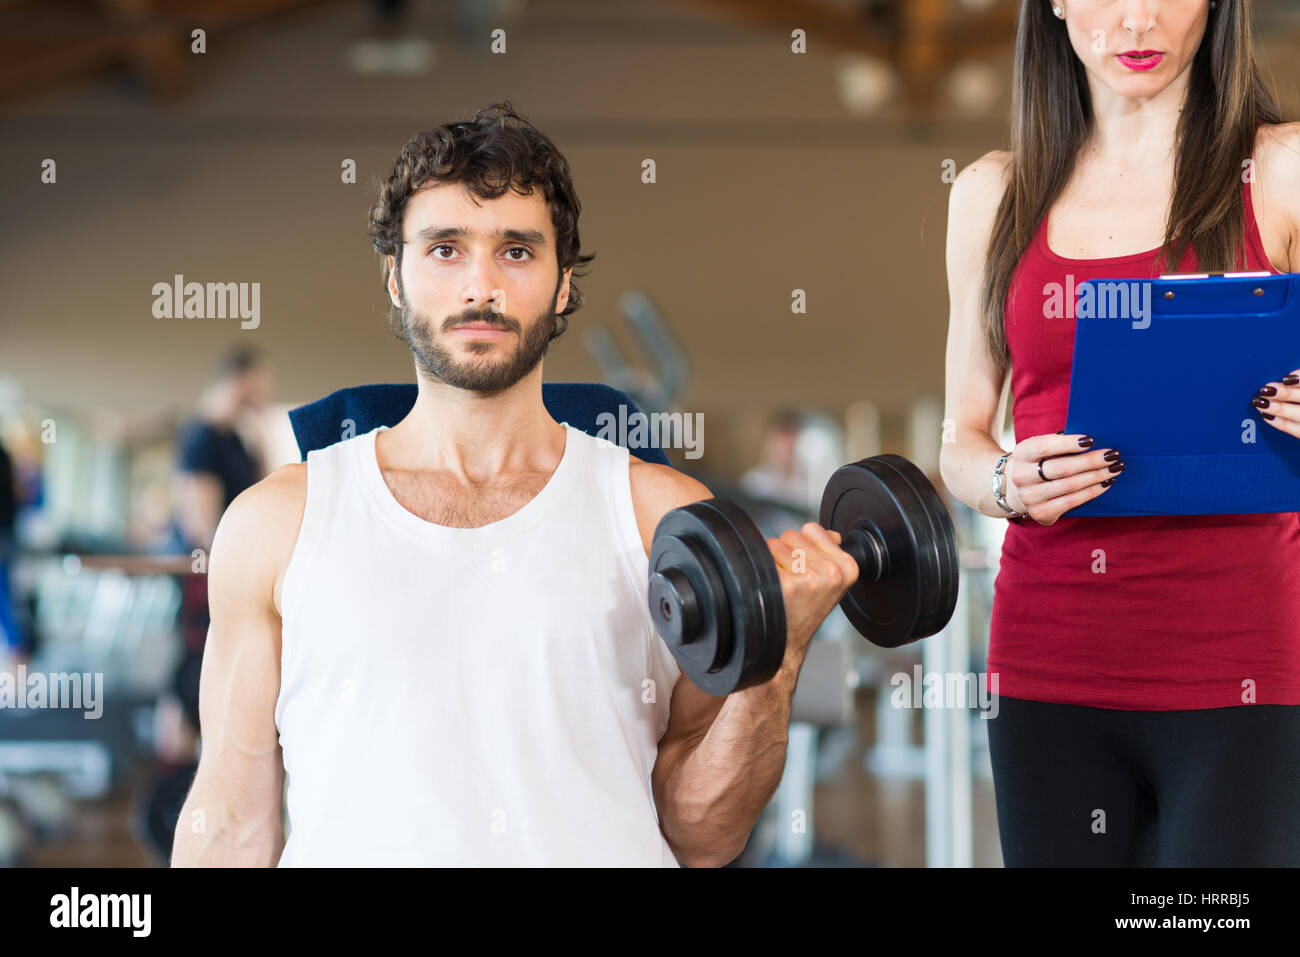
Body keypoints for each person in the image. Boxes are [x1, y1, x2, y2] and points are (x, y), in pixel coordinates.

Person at [170, 102, 860, 867]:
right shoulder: (275, 525)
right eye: (444, 249)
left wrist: (777, 661)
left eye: (518, 252)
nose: (481, 285)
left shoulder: (663, 518)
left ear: (564, 284)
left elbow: (704, 835)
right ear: (394, 279)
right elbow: (232, 820)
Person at [941, 0, 1300, 866]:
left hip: (1243, 662)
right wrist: (1002, 483)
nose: (1137, 19)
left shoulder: (1283, 169)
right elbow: (960, 433)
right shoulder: (994, 193)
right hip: (1049, 662)